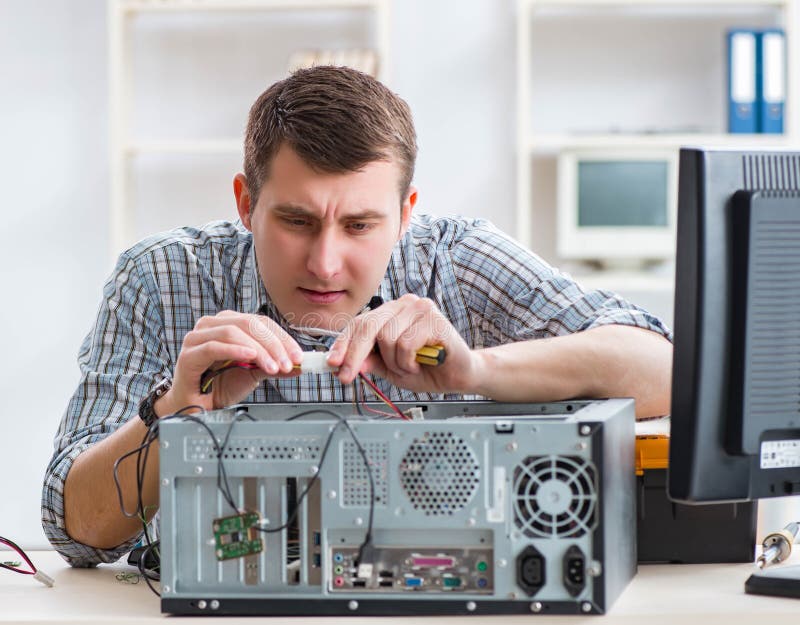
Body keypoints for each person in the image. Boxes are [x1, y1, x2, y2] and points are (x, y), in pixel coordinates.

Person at [42, 66, 672, 567]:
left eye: (361, 225)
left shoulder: (456, 260)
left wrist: (478, 369)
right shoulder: (160, 276)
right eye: (296, 221)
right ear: (245, 202)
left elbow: (666, 368)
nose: (324, 263)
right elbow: (75, 530)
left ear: (405, 214)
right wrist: (179, 413)